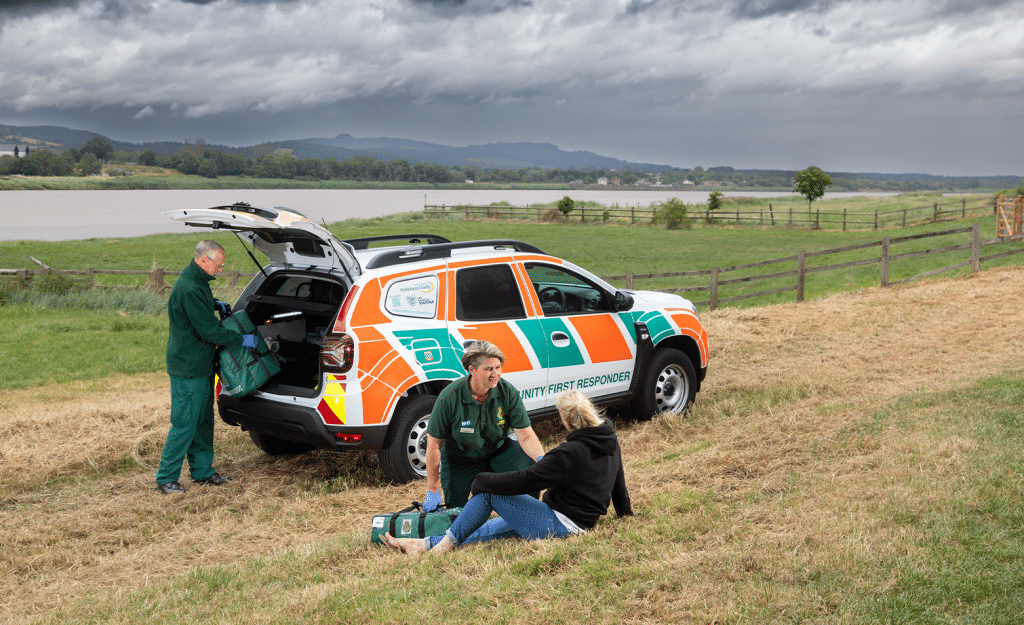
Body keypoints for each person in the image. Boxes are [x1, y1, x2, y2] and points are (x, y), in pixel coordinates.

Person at [384, 390, 633, 555]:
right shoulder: (610, 441)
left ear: (566, 422)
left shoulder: (567, 454)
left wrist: (481, 481)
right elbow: (619, 485)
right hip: (575, 522)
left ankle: (440, 550)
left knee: (487, 493)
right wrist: (626, 515)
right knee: (486, 529)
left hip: (560, 524)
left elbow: (525, 480)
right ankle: (423, 545)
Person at [155, 240, 260, 494]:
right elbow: (210, 331)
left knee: (203, 421)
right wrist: (242, 339)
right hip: (188, 367)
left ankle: (202, 471)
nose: (221, 270)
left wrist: (215, 303)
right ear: (204, 260)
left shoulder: (197, 280)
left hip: (201, 365)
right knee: (184, 423)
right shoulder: (190, 287)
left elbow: (201, 299)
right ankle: (166, 478)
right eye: (219, 265)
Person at [422, 340, 546, 510]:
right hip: (462, 458)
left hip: (499, 451)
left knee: (530, 467)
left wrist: (542, 461)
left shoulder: (507, 391)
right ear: (471, 370)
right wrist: (433, 488)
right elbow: (434, 444)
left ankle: (524, 511)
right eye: (488, 369)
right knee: (461, 514)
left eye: (498, 368)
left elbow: (526, 435)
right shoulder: (449, 397)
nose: (495, 374)